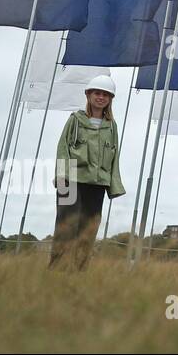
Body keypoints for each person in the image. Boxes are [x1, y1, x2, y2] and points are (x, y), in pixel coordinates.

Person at [49, 74, 125, 270]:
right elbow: (62, 148)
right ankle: (57, 270)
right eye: (97, 93)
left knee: (88, 230)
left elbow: (115, 156)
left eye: (106, 95)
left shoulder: (112, 127)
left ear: (110, 100)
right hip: (70, 180)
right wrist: (62, 177)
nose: (101, 97)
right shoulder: (75, 119)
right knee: (66, 226)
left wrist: (113, 185)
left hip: (97, 183)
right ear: (89, 95)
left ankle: (79, 271)